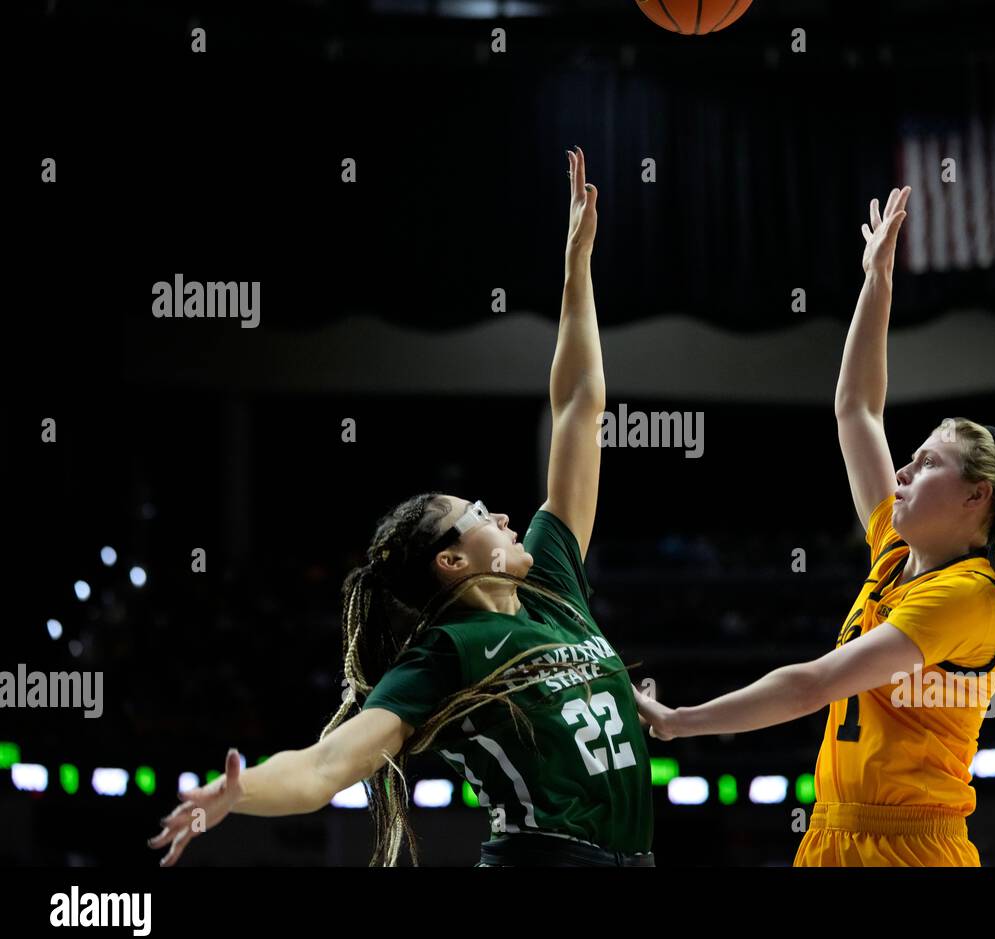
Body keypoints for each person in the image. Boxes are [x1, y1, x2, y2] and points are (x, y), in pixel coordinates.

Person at [634, 185, 995, 866]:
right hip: (832, 835)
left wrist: (680, 720)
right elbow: (856, 410)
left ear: (976, 497)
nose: (900, 471)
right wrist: (877, 281)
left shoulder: (970, 595)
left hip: (909, 849)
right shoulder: (896, 553)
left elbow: (812, 685)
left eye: (924, 463)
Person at [148, 146, 654, 867]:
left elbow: (578, 406)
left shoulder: (551, 584)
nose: (504, 515)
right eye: (479, 512)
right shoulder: (445, 653)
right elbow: (327, 767)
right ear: (453, 560)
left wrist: (577, 268)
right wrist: (238, 792)